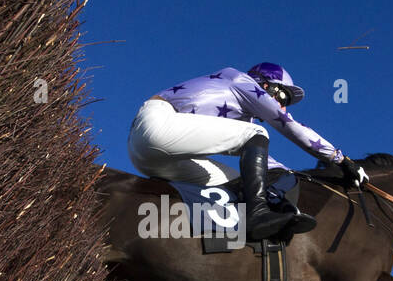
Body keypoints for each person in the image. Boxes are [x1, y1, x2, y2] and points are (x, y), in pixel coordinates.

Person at [128, 63, 366, 241]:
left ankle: (206, 238)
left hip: (151, 155)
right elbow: (290, 126)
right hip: (157, 124)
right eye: (282, 96)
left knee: (235, 183)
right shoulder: (243, 83)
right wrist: (341, 160)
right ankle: (257, 215)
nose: (282, 105)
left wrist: (286, 178)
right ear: (265, 85)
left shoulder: (241, 116)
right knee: (257, 134)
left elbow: (261, 167)